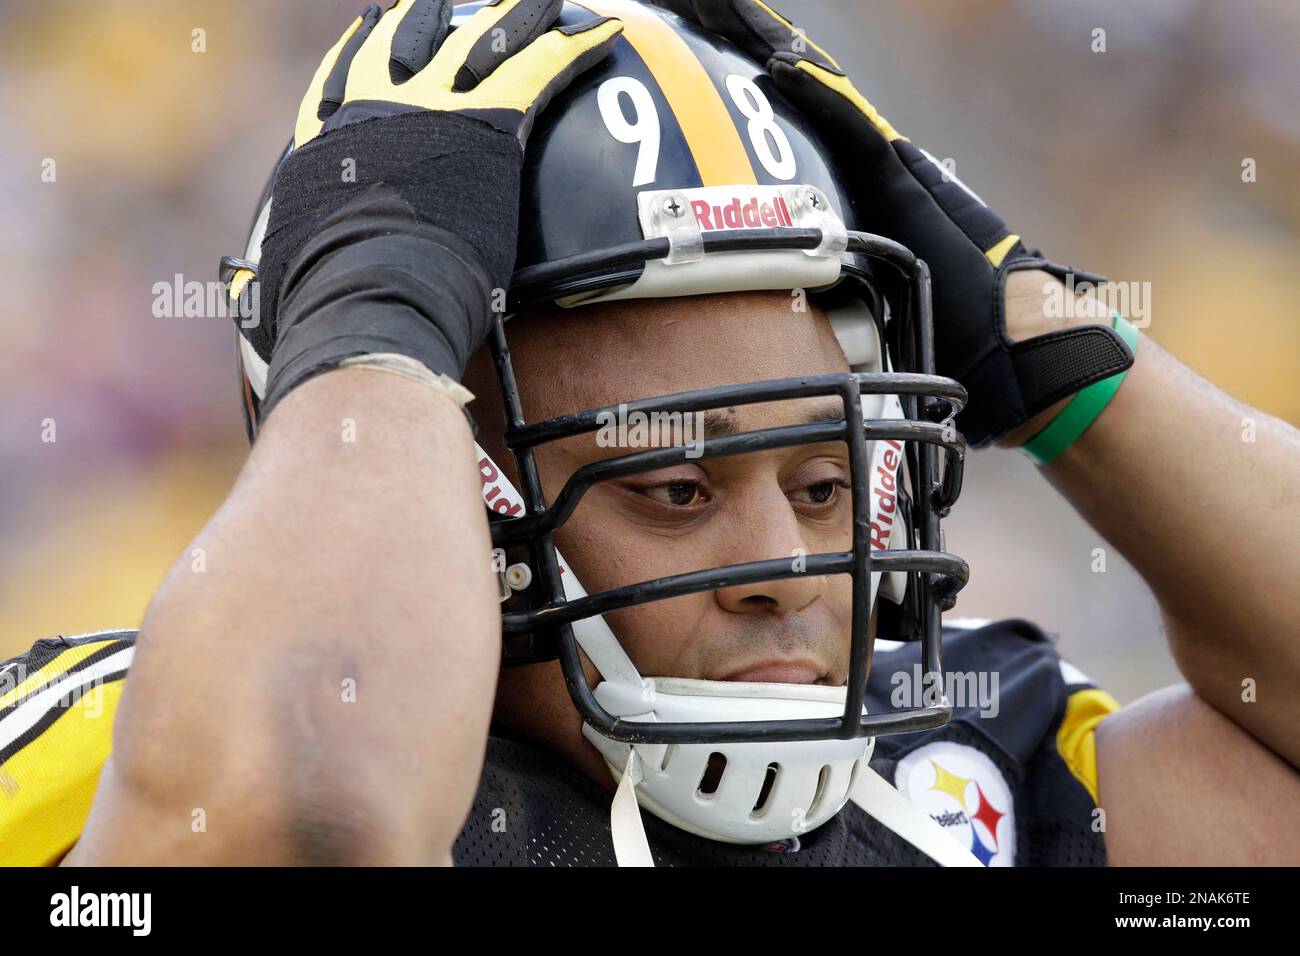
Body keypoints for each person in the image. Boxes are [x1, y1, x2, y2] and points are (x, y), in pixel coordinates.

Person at [2, 0, 1297, 867]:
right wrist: (372, 325)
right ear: (454, 490)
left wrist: (1044, 330)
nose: (789, 571)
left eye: (825, 484)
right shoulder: (136, 734)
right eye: (678, 487)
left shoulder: (964, 776)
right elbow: (303, 821)